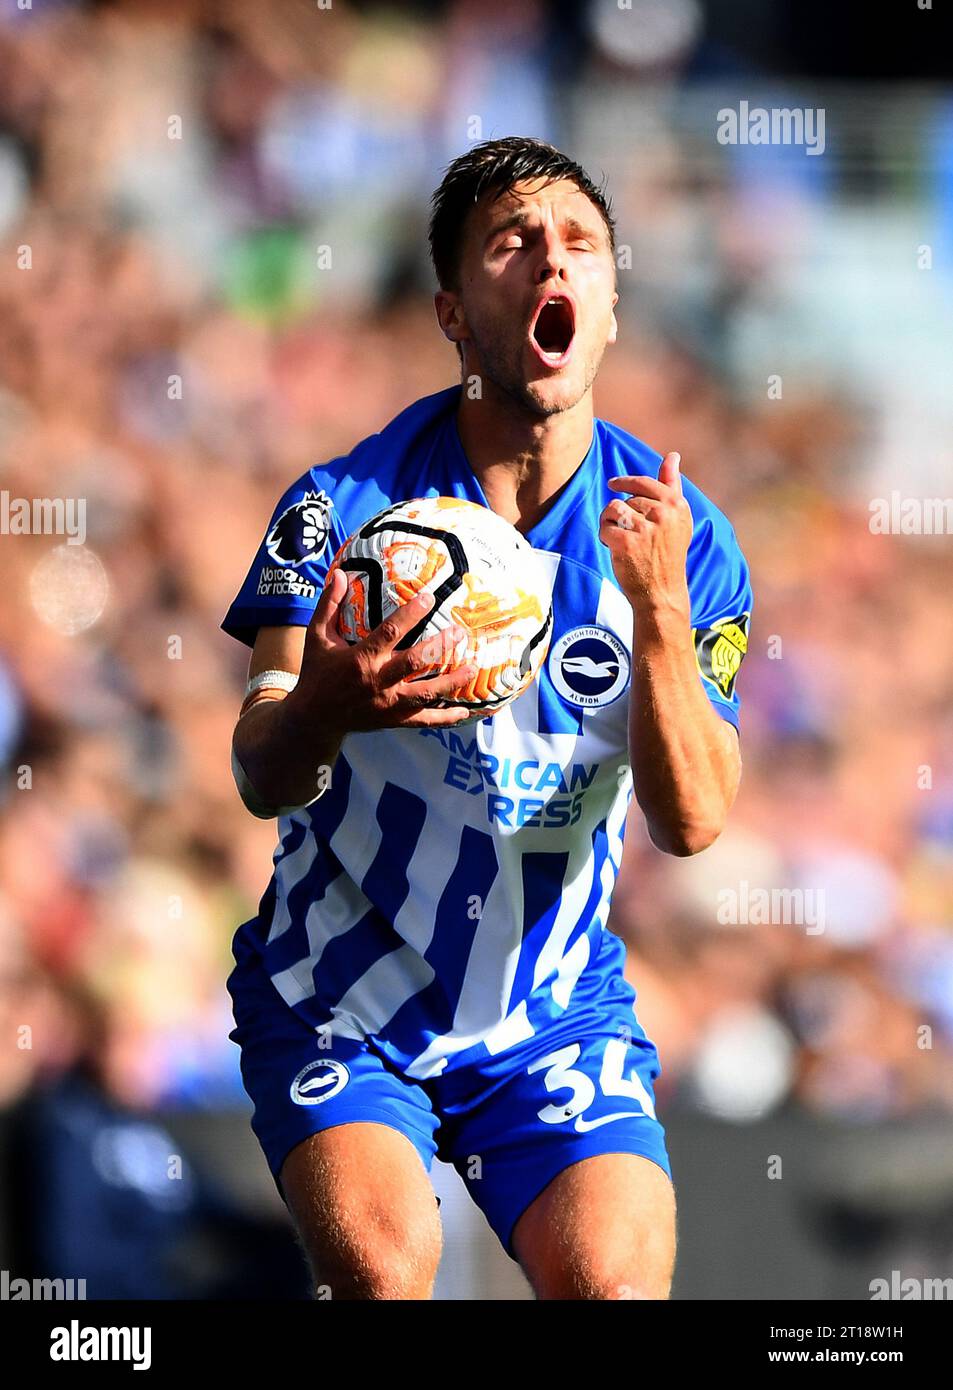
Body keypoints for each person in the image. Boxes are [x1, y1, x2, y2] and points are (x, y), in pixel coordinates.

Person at [222, 136, 752, 1300]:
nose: (548, 262)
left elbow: (694, 820)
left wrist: (658, 615)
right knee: (383, 1272)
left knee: (612, 1287)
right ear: (455, 312)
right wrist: (326, 701)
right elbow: (261, 767)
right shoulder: (341, 510)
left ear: (608, 304)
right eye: (512, 242)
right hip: (340, 993)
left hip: (548, 1013)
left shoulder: (684, 540)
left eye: (578, 246)